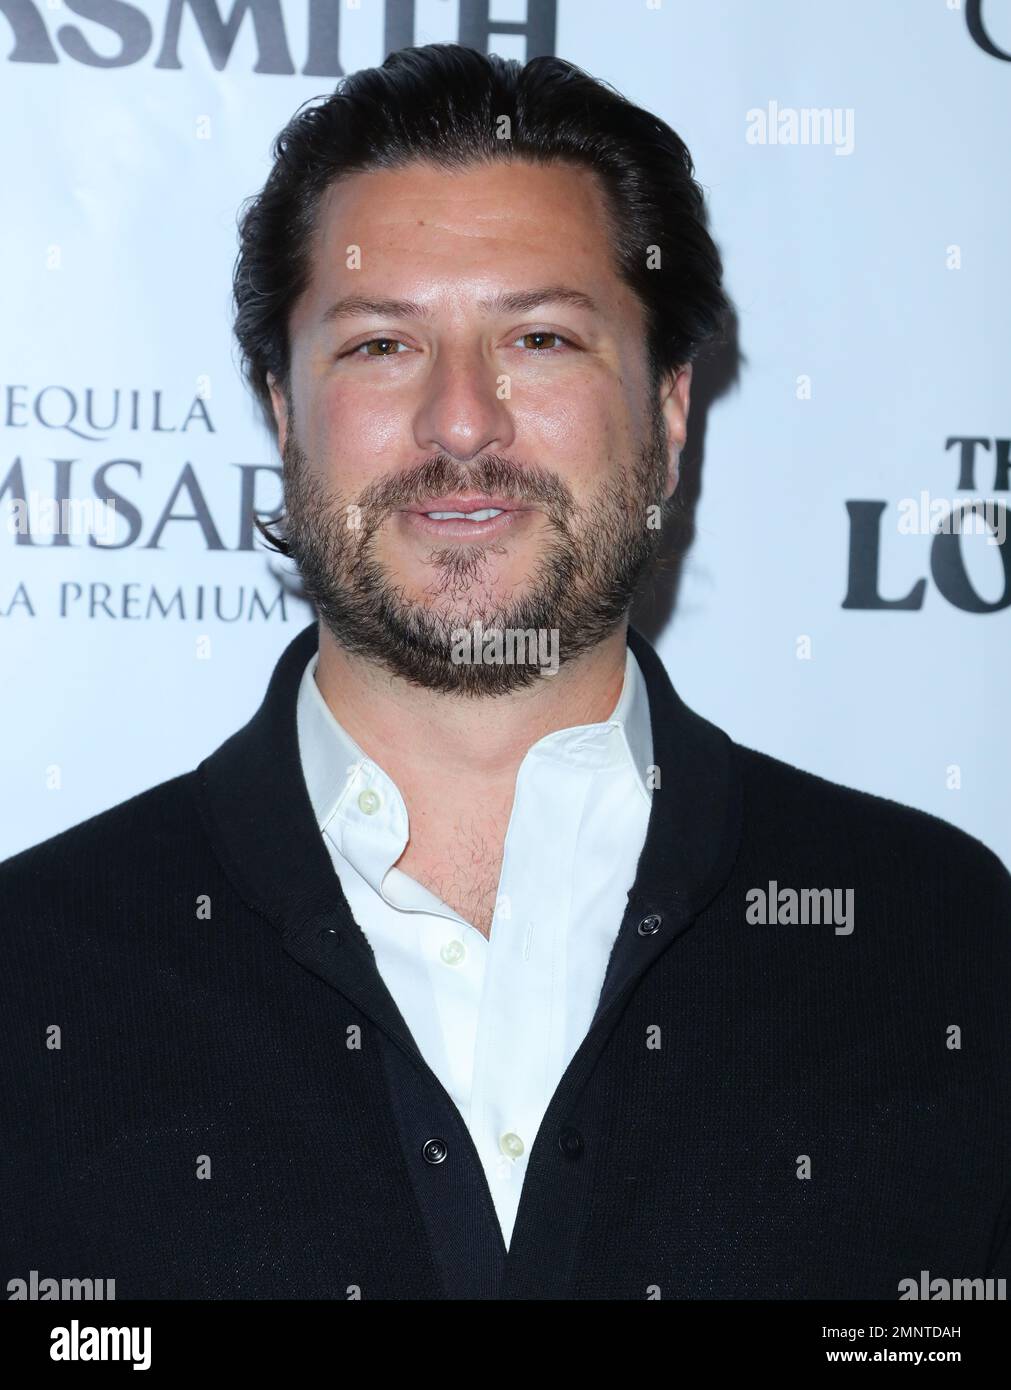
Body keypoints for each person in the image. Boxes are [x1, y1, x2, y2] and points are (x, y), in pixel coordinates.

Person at [2, 43, 1008, 1302]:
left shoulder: (936, 943)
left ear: (673, 409)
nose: (464, 422)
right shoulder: (37, 967)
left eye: (539, 336)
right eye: (380, 346)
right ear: (280, 411)